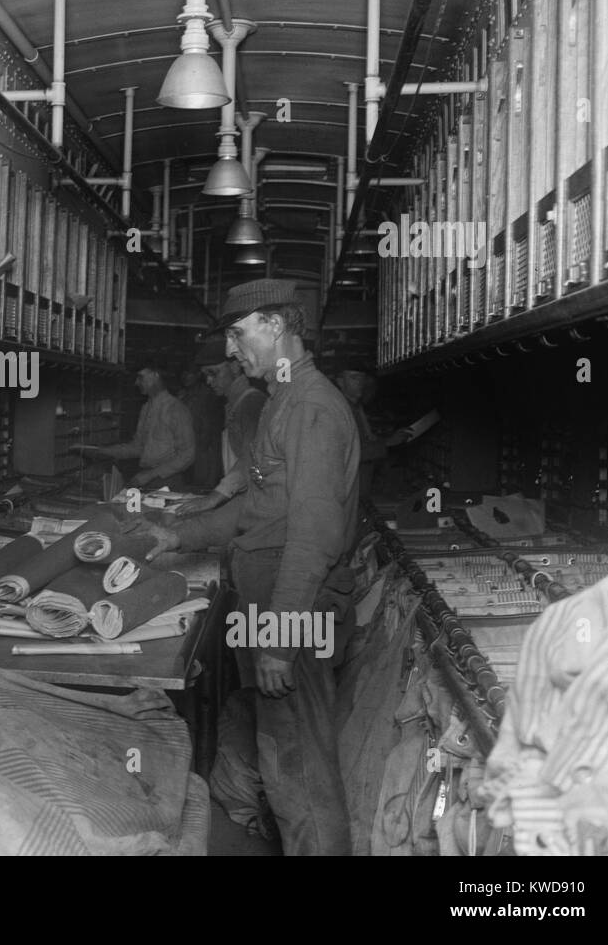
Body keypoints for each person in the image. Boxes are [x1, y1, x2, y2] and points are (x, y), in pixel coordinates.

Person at [140, 279, 360, 855]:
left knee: (301, 773)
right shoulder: (284, 400)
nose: (232, 351)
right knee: (282, 760)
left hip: (294, 616)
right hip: (271, 607)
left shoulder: (310, 407)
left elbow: (313, 536)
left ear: (276, 326)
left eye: (239, 334)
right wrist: (176, 535)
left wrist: (280, 641)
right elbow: (257, 510)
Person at [78, 362, 195, 489]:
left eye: (140, 377)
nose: (136, 383)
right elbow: (138, 447)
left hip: (169, 481)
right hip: (147, 478)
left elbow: (187, 455)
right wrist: (101, 451)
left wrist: (150, 475)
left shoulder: (176, 408)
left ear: (155, 376)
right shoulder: (146, 408)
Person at [186, 342, 267, 513]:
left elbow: (251, 458)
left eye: (213, 373)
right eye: (205, 375)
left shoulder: (251, 403)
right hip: (242, 497)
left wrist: (216, 496)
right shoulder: (233, 404)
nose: (208, 381)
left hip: (254, 501)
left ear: (236, 367)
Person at [335, 367, 409, 497]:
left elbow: (365, 441)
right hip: (350, 489)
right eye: (354, 377)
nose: (360, 383)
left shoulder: (356, 407)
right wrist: (387, 443)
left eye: (363, 378)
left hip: (361, 486)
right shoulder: (341, 410)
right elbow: (348, 452)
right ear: (340, 382)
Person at [177, 363, 223, 488]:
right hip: (185, 448)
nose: (185, 377)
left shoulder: (208, 394)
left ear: (198, 375)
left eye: (189, 373)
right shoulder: (182, 395)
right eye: (184, 373)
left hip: (203, 448)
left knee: (202, 484)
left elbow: (209, 427)